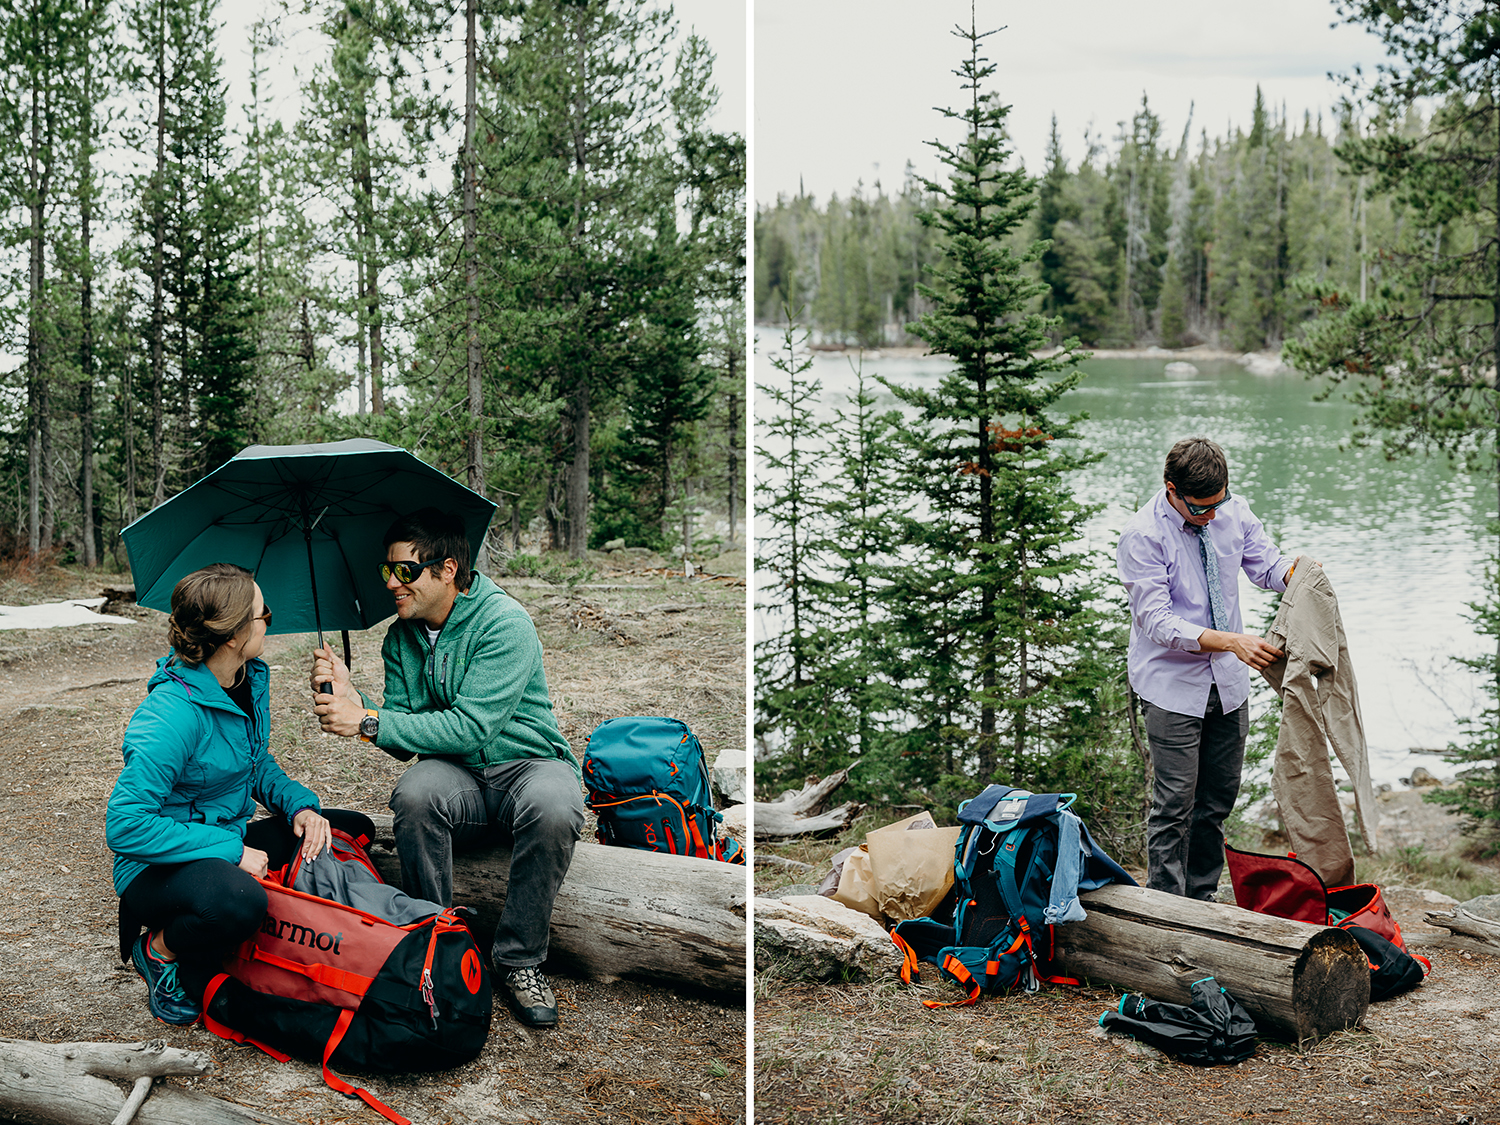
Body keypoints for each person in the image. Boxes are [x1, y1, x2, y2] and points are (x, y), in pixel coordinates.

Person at [309, 508, 584, 1029]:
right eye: (386, 571)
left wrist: (367, 720)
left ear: (447, 569)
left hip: (528, 765)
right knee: (415, 793)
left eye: (405, 571)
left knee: (554, 805)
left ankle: (519, 959)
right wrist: (353, 697)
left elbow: (470, 728)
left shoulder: (504, 622)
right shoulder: (400, 638)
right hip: (458, 777)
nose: (392, 582)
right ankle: (432, 942)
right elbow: (402, 738)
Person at [105, 563, 364, 1026]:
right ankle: (158, 949)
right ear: (232, 633)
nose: (270, 621)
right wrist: (231, 851)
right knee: (241, 902)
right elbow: (126, 826)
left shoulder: (246, 679)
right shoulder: (170, 715)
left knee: (347, 829)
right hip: (156, 866)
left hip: (224, 839)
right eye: (265, 613)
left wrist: (300, 806)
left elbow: (255, 763)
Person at [1116, 437, 1305, 901]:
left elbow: (1268, 567)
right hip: (1172, 686)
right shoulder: (1142, 535)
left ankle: (1201, 899)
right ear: (1171, 489)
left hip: (1229, 684)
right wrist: (1231, 641)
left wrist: (1299, 573)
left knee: (1217, 801)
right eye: (1201, 510)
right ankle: (1165, 906)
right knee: (1174, 805)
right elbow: (1157, 622)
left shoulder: (1232, 511)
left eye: (1216, 505)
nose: (1211, 517)